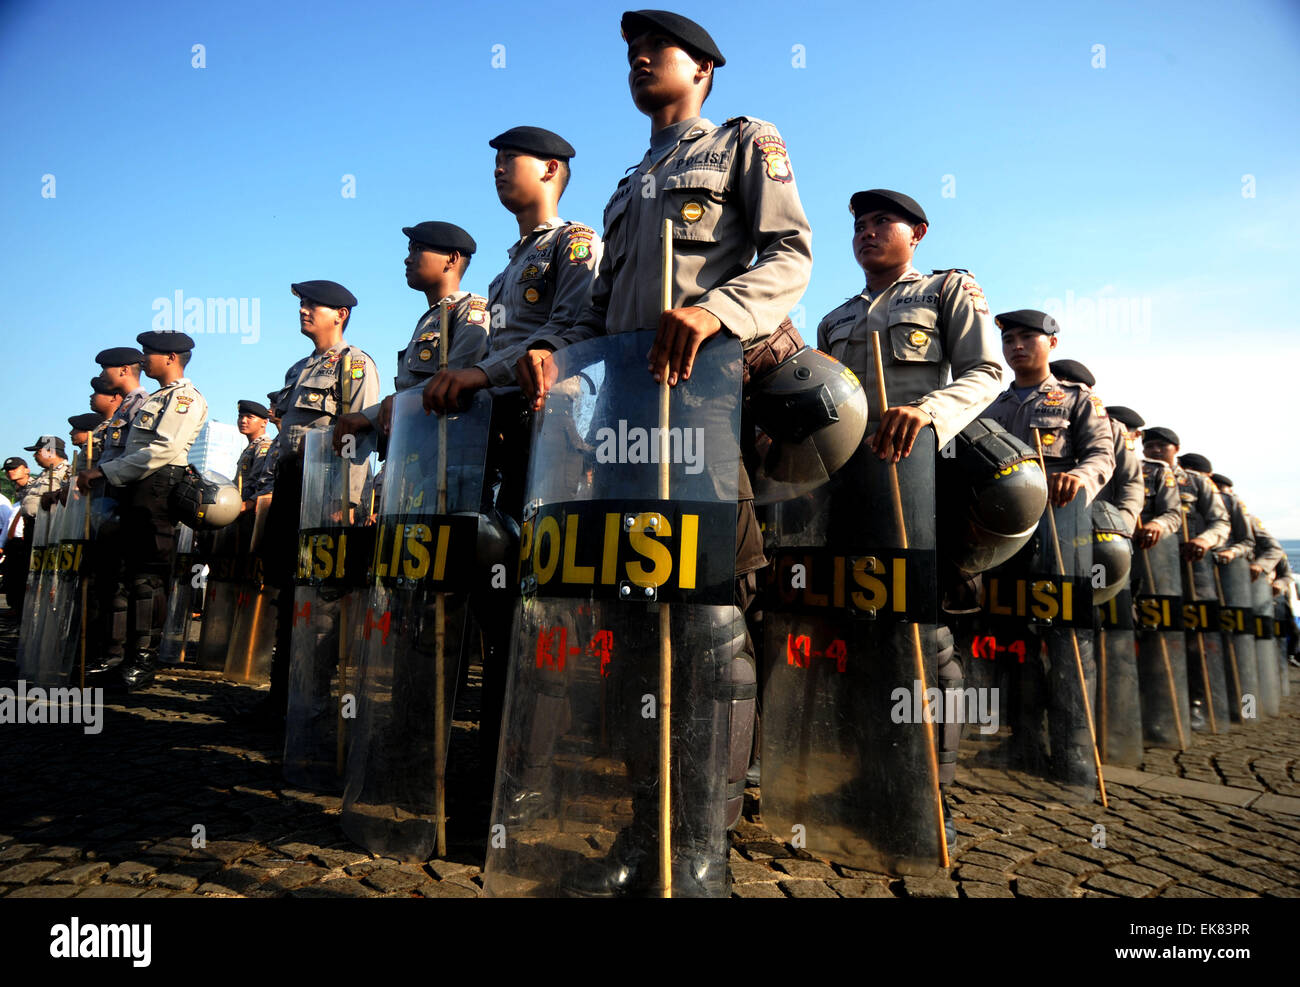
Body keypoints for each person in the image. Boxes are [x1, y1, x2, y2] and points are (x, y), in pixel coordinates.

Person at [510, 9, 812, 896]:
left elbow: (792, 252)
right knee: (639, 632)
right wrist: (549, 354)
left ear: (703, 70)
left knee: (712, 629)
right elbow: (592, 310)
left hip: (711, 411)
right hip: (630, 424)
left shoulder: (744, 143)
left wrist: (718, 310)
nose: (640, 60)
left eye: (658, 50)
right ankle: (650, 831)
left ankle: (704, 850)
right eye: (632, 54)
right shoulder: (623, 186)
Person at [816, 187, 1001, 846]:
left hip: (928, 480)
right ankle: (872, 777)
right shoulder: (836, 318)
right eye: (860, 225)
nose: (868, 233)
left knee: (929, 639)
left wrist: (928, 414)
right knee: (866, 636)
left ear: (916, 232)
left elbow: (986, 371)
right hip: (857, 486)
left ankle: (930, 789)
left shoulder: (948, 288)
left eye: (882, 222)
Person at [421, 127, 602, 767]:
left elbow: (576, 327)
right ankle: (499, 752)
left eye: (510, 160)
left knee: (542, 601)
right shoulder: (502, 274)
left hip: (548, 429)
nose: (498, 169)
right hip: (497, 432)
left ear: (551, 168)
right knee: (498, 602)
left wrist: (483, 373)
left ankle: (535, 766)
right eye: (494, 159)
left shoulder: (575, 243)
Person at [256, 280, 380, 724]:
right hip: (291, 484)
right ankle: (282, 694)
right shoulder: (298, 369)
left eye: (315, 305)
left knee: (321, 597)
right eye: (303, 304)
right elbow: (284, 438)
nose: (305, 310)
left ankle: (312, 697)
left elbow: (359, 434)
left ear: (340, 314)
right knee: (287, 591)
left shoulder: (355, 364)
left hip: (327, 487)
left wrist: (345, 498)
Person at [76, 331, 208, 690]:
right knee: (126, 576)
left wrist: (105, 471)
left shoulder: (184, 398)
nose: (144, 358)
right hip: (136, 487)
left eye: (149, 353)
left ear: (171, 358)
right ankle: (121, 656)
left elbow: (163, 450)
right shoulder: (158, 398)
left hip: (158, 487)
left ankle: (143, 662)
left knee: (148, 579)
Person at [335, 222, 489, 449]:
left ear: (452, 259)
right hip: (421, 449)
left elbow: (457, 378)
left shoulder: (470, 309)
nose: (408, 259)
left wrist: (370, 415)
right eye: (409, 250)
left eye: (418, 250)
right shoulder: (430, 318)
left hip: (454, 451)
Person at [233, 400, 277, 508]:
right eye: (240, 417)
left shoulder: (263, 446)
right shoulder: (251, 446)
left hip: (250, 506)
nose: (243, 421)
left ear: (264, 423)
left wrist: (248, 505)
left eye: (249, 417)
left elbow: (260, 482)